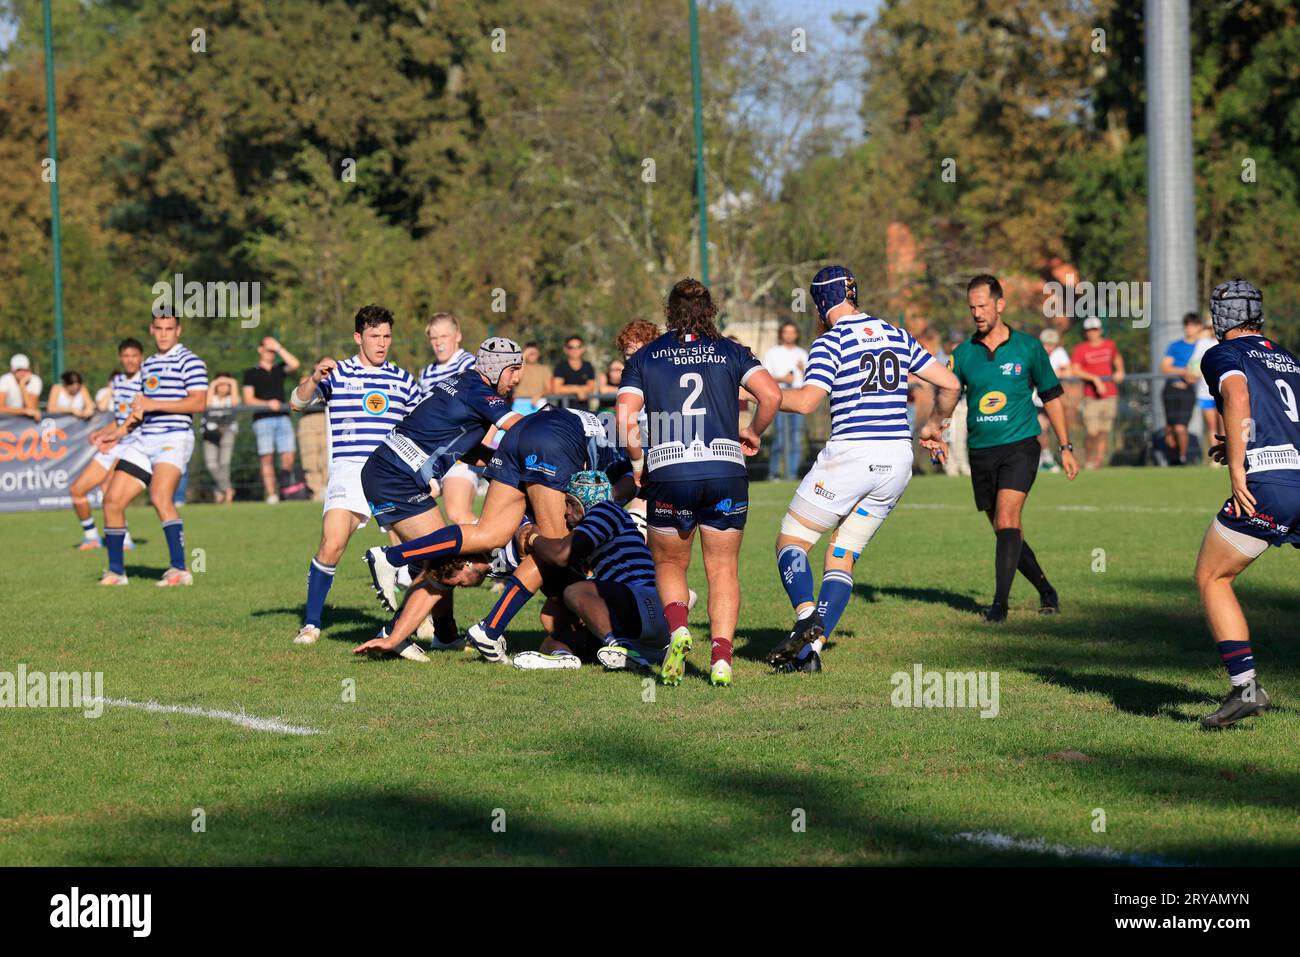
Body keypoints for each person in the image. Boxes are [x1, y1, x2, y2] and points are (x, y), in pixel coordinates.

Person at [763, 265, 961, 671]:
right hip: (897, 461)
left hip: (852, 455)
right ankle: (811, 653)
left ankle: (806, 621)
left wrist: (755, 391)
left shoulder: (830, 341)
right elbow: (951, 384)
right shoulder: (895, 333)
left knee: (791, 543)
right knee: (842, 554)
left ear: (820, 306)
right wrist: (934, 426)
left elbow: (804, 403)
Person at [365, 402, 635, 664]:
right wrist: (393, 638)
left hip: (545, 435)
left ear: (467, 562)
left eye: (459, 582)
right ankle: (393, 558)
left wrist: (533, 536)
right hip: (536, 432)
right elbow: (432, 585)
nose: (461, 587)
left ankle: (489, 628)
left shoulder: (493, 545)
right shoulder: (484, 543)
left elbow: (546, 542)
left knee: (555, 555)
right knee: (555, 606)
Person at [617, 277, 782, 687]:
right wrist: (754, 432)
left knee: (670, 562)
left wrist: (639, 461)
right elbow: (773, 396)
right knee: (723, 568)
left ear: (669, 312)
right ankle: (722, 658)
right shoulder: (732, 350)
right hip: (726, 470)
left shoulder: (647, 356)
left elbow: (624, 420)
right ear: (712, 310)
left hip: (670, 472)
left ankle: (678, 630)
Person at [351, 338, 523, 656]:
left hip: (390, 472)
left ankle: (444, 634)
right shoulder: (480, 392)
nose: (516, 378)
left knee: (441, 560)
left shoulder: (465, 383)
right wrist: (559, 430)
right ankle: (389, 575)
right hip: (395, 477)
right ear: (496, 368)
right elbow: (521, 430)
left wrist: (503, 468)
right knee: (456, 568)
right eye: (513, 370)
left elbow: (468, 450)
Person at [1194, 280, 1300, 728]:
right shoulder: (1290, 359)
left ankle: (1246, 688)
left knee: (1212, 576)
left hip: (1269, 485)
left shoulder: (1222, 354)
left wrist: (1239, 464)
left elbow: (1238, 397)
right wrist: (1236, 444)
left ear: (1222, 318)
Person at [288, 305, 421, 644]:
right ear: (358, 337)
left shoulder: (403, 380)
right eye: (375, 336)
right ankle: (312, 623)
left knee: (416, 552)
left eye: (387, 336)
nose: (382, 343)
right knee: (332, 544)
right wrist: (315, 378)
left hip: (392, 473)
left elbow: (420, 430)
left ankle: (421, 619)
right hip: (350, 472)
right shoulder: (338, 373)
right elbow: (297, 402)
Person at [949, 275, 1079, 621]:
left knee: (1008, 519)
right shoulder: (963, 354)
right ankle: (1046, 590)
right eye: (972, 307)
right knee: (1007, 532)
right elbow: (948, 396)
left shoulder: (1028, 347)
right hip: (981, 450)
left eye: (983, 306)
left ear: (1000, 305)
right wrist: (936, 427)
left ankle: (999, 605)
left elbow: (1052, 397)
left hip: (1021, 445)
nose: (977, 313)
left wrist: (1065, 446)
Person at [512, 470, 667, 672]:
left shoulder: (605, 510)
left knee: (576, 591)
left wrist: (533, 538)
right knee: (552, 640)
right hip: (638, 617)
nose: (566, 512)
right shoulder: (600, 527)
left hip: (645, 602)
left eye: (571, 503)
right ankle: (565, 659)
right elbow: (558, 579)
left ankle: (620, 647)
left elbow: (561, 555)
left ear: (586, 500)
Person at [96, 313, 208, 586]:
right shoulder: (148, 365)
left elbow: (198, 403)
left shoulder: (190, 361)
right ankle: (116, 572)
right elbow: (140, 410)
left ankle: (180, 569)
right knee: (111, 500)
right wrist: (117, 434)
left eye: (169, 328)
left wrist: (154, 403)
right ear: (152, 329)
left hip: (174, 438)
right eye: (158, 328)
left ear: (178, 330)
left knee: (160, 497)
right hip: (145, 439)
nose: (163, 334)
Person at [69, 339, 143, 550]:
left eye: (134, 355)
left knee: (109, 490)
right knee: (77, 490)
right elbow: (120, 419)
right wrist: (102, 433)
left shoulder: (147, 381)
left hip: (134, 443)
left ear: (141, 357)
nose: (130, 360)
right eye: (126, 356)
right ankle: (92, 537)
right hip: (117, 442)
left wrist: (115, 436)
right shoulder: (117, 381)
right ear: (120, 358)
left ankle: (125, 538)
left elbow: (140, 419)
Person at [242, 335, 301, 502]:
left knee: (288, 457)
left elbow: (295, 364)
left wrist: (279, 348)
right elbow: (247, 399)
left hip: (283, 418)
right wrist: (268, 403)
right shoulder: (251, 373)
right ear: (260, 350)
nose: (271, 353)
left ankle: (285, 490)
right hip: (262, 419)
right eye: (268, 350)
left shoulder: (279, 369)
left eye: (273, 351)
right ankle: (271, 494)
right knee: (266, 458)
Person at [1070, 316, 1125, 469]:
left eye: (1095, 329)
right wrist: (1094, 379)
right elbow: (1075, 369)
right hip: (1091, 396)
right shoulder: (1081, 349)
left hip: (1110, 394)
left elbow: (1117, 358)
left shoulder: (1109, 345)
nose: (1092, 333)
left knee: (1104, 431)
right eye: (1089, 330)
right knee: (1092, 432)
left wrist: (1120, 371)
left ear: (1100, 330)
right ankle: (1089, 459)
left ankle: (1099, 461)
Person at [763, 321, 809, 480]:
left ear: (797, 334)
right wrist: (783, 378)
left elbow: (811, 379)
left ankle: (791, 474)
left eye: (792, 332)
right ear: (781, 334)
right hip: (779, 397)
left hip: (798, 397)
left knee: (796, 438)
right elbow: (764, 378)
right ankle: (773, 473)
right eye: (786, 332)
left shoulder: (802, 353)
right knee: (780, 437)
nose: (789, 335)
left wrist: (804, 370)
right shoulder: (772, 353)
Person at [1160, 313, 1205, 465]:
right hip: (1171, 389)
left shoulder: (1202, 346)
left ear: (1199, 327)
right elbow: (1165, 367)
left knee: (1180, 427)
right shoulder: (1175, 345)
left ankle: (1182, 457)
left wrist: (1195, 376)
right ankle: (1173, 458)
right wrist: (1183, 371)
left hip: (1188, 391)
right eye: (1187, 325)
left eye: (1193, 325)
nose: (1190, 328)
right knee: (1170, 429)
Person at [1034, 328, 1073, 471]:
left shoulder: (1059, 353)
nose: (1049, 347)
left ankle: (1047, 456)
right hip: (1038, 399)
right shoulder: (1036, 353)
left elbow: (1069, 372)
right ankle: (1045, 457)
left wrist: (1054, 372)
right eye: (1046, 344)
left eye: (1052, 344)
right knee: (1040, 429)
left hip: (1054, 398)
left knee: (1054, 429)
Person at [203, 373, 239, 505]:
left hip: (228, 430)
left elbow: (235, 403)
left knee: (224, 463)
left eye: (226, 384)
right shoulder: (211, 397)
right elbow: (207, 404)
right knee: (211, 464)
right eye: (220, 384)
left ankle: (220, 493)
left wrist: (232, 382)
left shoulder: (232, 398)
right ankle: (227, 489)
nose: (223, 387)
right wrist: (213, 384)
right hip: (210, 432)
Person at [418, 312, 476, 395]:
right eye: (433, 338)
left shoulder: (469, 364)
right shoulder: (426, 374)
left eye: (444, 336)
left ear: (458, 337)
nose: (438, 342)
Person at [1190, 321, 1221, 464]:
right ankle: (1216, 457)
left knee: (1225, 424)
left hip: (1222, 391)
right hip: (1205, 391)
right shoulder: (1202, 343)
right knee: (1212, 425)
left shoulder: (1224, 342)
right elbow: (1194, 363)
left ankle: (1227, 454)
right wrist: (1194, 372)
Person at [550, 335, 596, 405]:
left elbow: (591, 387)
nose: (575, 350)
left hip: (583, 411)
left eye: (578, 347)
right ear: (565, 349)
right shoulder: (560, 366)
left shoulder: (588, 366)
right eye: (571, 347)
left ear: (583, 349)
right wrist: (577, 390)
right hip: (564, 411)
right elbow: (557, 389)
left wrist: (567, 389)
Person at [512, 342, 551, 416]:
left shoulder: (544, 369)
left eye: (534, 353)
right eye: (529, 353)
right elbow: (517, 379)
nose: (532, 356)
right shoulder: (518, 368)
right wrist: (523, 357)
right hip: (520, 403)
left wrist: (538, 395)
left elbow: (548, 388)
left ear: (539, 353)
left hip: (539, 403)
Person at [0, 353, 42, 420]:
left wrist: (22, 386)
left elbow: (32, 409)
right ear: (12, 371)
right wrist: (23, 411)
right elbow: (0, 408)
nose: (22, 372)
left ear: (29, 369)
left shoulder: (35, 380)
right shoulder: (5, 380)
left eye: (24, 369)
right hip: (7, 420)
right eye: (18, 370)